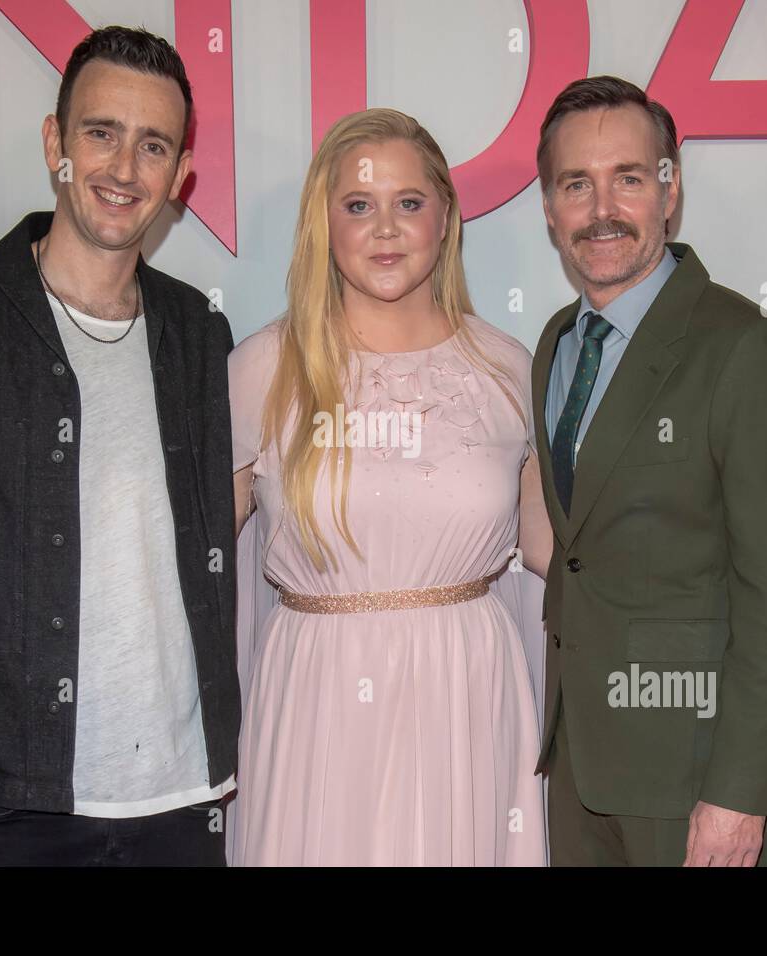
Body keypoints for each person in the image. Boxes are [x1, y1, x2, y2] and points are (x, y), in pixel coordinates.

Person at [0, 26, 239, 866]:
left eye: (153, 146)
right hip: (12, 796)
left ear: (179, 177)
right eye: (100, 132)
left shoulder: (198, 335)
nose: (122, 169)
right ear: (54, 143)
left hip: (184, 797)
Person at [228, 108, 552, 865]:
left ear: (446, 217)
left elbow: (557, 554)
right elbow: (189, 558)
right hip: (316, 698)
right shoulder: (261, 369)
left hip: (467, 695)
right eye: (358, 205)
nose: (385, 229)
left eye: (409, 203)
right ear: (324, 223)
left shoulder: (510, 369)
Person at [531, 75, 767, 866]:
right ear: (549, 205)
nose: (602, 210)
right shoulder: (558, 344)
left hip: (698, 785)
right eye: (576, 184)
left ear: (670, 192)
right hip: (579, 776)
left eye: (628, 179)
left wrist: (741, 793)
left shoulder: (745, 348)